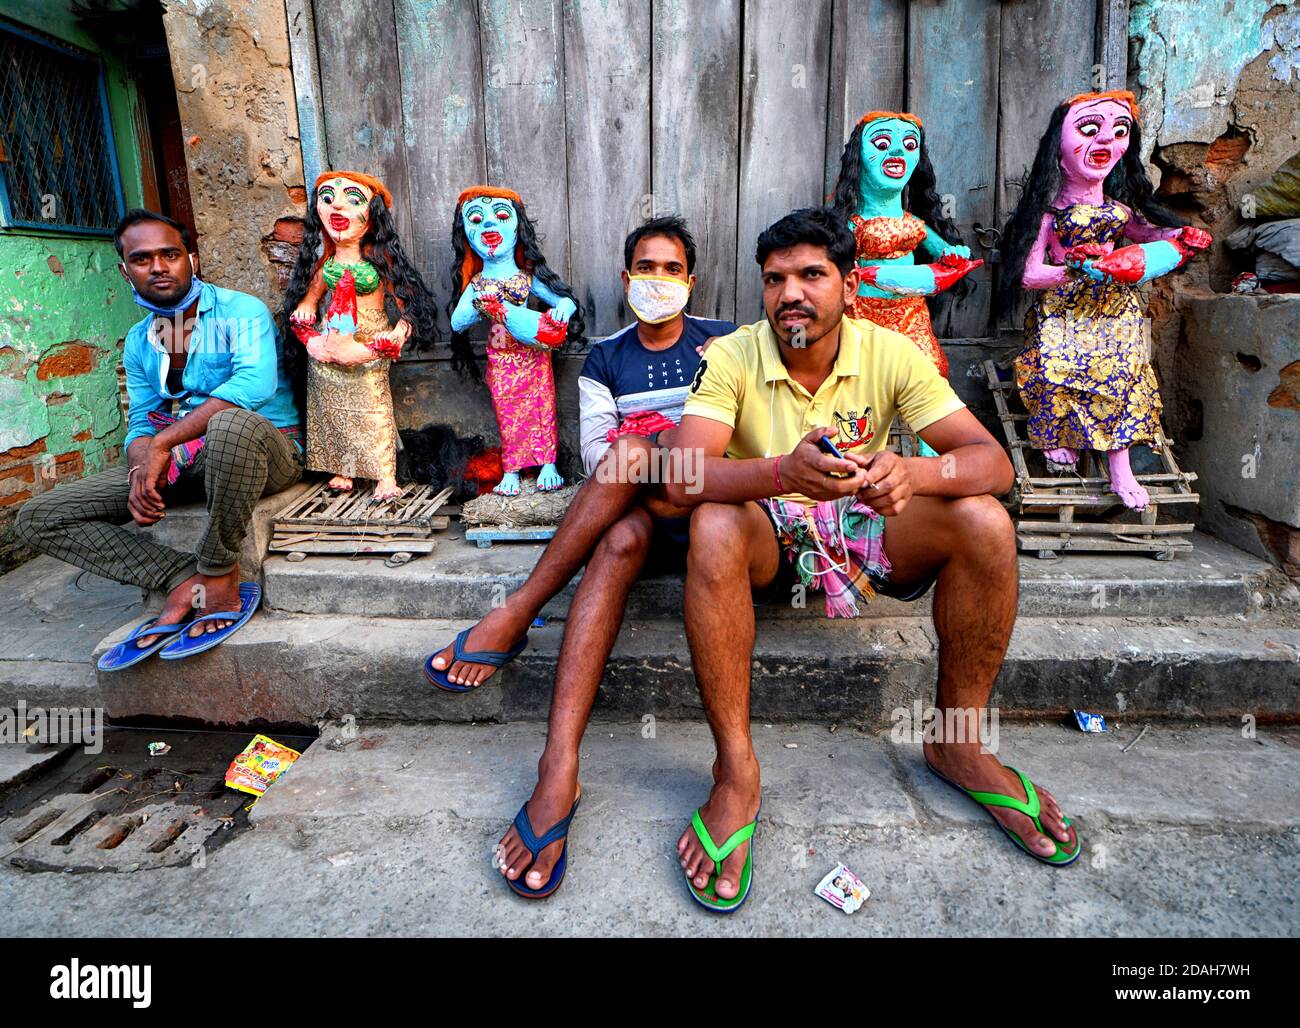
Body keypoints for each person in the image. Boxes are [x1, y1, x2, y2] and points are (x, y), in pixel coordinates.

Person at [665, 206, 1081, 912]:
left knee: (982, 518)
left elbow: (991, 463)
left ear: (850, 287)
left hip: (869, 527)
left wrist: (914, 475)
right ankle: (735, 771)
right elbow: (682, 477)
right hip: (771, 534)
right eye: (774, 279)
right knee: (709, 523)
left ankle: (958, 743)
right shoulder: (733, 355)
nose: (790, 292)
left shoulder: (891, 353)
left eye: (811, 275)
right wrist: (782, 475)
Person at [423, 215, 735, 897]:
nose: (658, 281)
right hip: (641, 511)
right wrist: (658, 445)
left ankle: (518, 611)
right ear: (626, 281)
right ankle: (557, 768)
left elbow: (736, 435)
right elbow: (595, 457)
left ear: (692, 279)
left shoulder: (726, 341)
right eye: (645, 269)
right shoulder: (607, 356)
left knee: (629, 465)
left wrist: (650, 441)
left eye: (671, 269)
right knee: (620, 522)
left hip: (718, 513)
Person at [16, 209, 302, 667]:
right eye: (143, 258)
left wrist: (164, 445)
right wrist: (140, 466)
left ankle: (219, 570)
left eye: (170, 254)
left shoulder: (240, 311)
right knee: (39, 517)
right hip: (192, 458)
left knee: (230, 424)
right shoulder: (139, 339)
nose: (159, 266)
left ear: (191, 259)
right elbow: (143, 422)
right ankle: (182, 578)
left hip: (266, 452)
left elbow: (252, 388)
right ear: (125, 270)